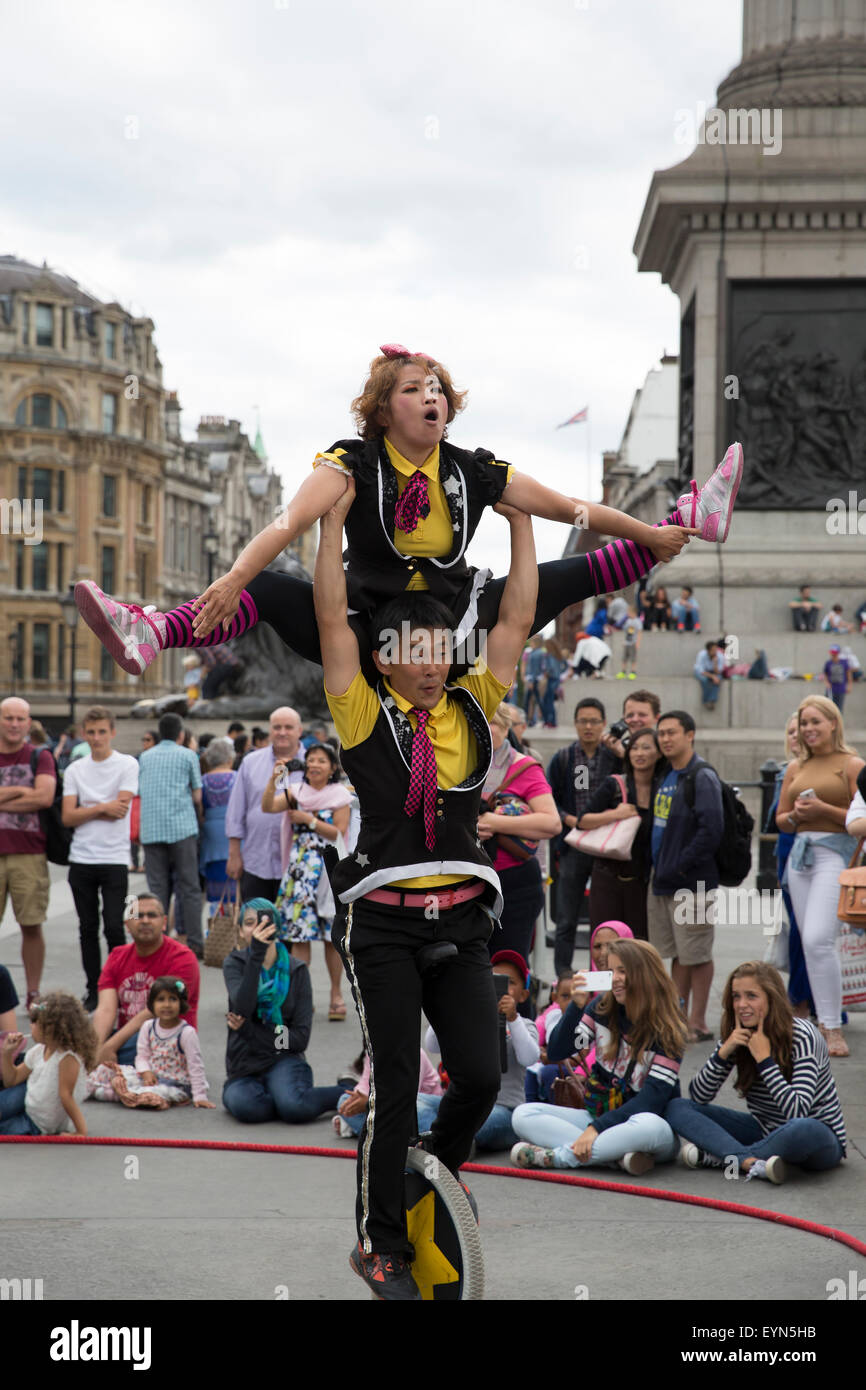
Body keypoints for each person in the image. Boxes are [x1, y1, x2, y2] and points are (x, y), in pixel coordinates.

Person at [74, 347, 743, 683]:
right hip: (369, 630)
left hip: (454, 624)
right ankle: (152, 632)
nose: (431, 398)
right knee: (270, 588)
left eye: (438, 390)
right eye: (413, 389)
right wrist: (232, 578)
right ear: (384, 407)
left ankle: (690, 519)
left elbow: (575, 507)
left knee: (570, 573)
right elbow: (287, 524)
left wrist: (650, 533)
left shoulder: (473, 469)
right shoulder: (353, 462)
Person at [315, 473, 539, 1300]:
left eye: (440, 650)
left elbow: (515, 618)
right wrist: (334, 525)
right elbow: (333, 622)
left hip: (465, 922)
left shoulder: (474, 705)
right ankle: (379, 1246)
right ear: (387, 659)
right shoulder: (362, 714)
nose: (430, 664)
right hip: (384, 926)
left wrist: (518, 522)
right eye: (413, 652)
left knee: (480, 1075)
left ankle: (434, 1177)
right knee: (397, 1089)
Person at [510, 939, 686, 1176]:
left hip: (645, 1126)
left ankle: (560, 1157)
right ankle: (615, 1158)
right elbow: (558, 1052)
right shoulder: (602, 1008)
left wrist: (595, 1129)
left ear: (645, 973)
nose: (615, 978)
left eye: (623, 971)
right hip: (598, 1116)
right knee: (523, 1115)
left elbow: (651, 1100)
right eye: (611, 971)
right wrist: (575, 1006)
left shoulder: (669, 1028)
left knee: (650, 1125)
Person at [667, 962, 846, 1184]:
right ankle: (749, 1161)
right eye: (736, 996)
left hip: (817, 1140)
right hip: (765, 1130)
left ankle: (724, 1158)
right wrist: (723, 1053)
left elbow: (798, 1112)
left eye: (752, 996)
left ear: (772, 999)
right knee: (677, 1107)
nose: (742, 1005)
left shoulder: (804, 1035)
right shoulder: (738, 1033)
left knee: (801, 1128)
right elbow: (699, 1096)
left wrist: (765, 1061)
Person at [774, 697, 863, 1057]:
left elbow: (860, 817)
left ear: (832, 724)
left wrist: (823, 809)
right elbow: (780, 819)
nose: (809, 729)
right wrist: (797, 814)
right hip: (800, 855)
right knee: (806, 939)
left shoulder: (852, 765)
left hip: (835, 853)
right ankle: (816, 1021)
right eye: (803, 723)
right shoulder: (795, 767)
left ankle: (832, 1026)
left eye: (815, 722)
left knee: (817, 939)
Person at [221, 900, 345, 1125]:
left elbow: (299, 1039)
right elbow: (242, 1006)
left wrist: (249, 1030)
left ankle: (345, 1090)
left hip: (283, 1058)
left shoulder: (297, 970)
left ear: (276, 928)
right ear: (240, 931)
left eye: (264, 922)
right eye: (249, 923)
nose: (256, 927)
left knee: (294, 1108)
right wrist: (256, 956)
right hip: (245, 1062)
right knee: (248, 1108)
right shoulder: (234, 963)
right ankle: (280, 1094)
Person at [261, 743, 353, 1021]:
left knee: (330, 937)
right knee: (300, 935)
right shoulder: (295, 792)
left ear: (332, 767)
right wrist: (274, 778)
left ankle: (336, 994)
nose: (314, 765)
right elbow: (267, 806)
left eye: (321, 761)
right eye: (310, 760)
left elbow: (340, 831)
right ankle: (303, 995)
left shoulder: (340, 795)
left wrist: (308, 820)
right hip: (299, 872)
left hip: (328, 870)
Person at [648, 711, 724, 1044]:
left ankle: (698, 1022)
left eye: (672, 733)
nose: (665, 739)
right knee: (679, 952)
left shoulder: (701, 776)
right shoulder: (666, 773)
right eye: (661, 733)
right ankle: (678, 1018)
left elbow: (712, 830)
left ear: (690, 735)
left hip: (691, 881)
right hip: (663, 878)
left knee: (697, 951)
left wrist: (681, 864)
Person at [418, 950, 540, 1153]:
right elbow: (432, 1044)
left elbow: (529, 1057)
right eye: (493, 979)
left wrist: (512, 1018)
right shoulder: (469, 1018)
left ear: (523, 994)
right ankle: (442, 1141)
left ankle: (439, 1141)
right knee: (417, 1102)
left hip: (504, 1110)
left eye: (510, 982)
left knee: (479, 1121)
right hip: (460, 1105)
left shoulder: (524, 1025)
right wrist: (454, 1004)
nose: (500, 987)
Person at [61, 706, 139, 1011]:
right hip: (81, 858)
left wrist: (90, 808)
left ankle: (117, 987)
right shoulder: (75, 769)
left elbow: (122, 807)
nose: (96, 738)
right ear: (83, 734)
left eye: (102, 732)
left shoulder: (127, 764)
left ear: (112, 732)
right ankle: (94, 988)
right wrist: (100, 808)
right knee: (87, 928)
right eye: (91, 732)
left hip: (115, 858)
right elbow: (68, 816)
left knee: (114, 927)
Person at [478, 704, 561, 962]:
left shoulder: (524, 767)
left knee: (507, 966)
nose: (485, 728)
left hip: (513, 883)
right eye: (478, 721)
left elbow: (552, 823)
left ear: (506, 728)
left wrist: (495, 823)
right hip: (466, 879)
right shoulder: (458, 765)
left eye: (492, 722)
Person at [546, 698, 620, 973]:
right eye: (582, 721)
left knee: (604, 917)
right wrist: (568, 819)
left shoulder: (613, 757)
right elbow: (548, 797)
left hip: (607, 846)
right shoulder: (564, 757)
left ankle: (604, 974)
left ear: (603, 724)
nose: (588, 726)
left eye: (594, 721)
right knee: (566, 917)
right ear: (575, 724)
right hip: (573, 845)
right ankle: (563, 977)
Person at [91, 893, 200, 1066]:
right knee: (75, 1039)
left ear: (164, 923)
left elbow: (155, 1011)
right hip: (127, 1037)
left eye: (152, 915)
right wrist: (95, 1051)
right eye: (138, 916)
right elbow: (105, 1009)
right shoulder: (117, 956)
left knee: (123, 1052)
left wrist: (110, 1046)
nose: (145, 920)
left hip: (167, 1041)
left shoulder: (182, 957)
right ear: (127, 924)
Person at [577, 725, 665, 939]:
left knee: (639, 945)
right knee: (605, 941)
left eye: (646, 748)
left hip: (643, 881)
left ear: (659, 753)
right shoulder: (615, 784)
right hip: (607, 877)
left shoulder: (663, 789)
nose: (639, 753)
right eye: (634, 748)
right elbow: (583, 821)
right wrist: (616, 814)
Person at [0, 695, 57, 1006]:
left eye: (20, 719)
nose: (14, 724)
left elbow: (45, 798)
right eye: (8, 718)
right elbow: (34, 795)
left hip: (28, 853)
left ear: (28, 721)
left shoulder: (41, 756)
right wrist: (23, 790)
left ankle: (33, 991)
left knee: (31, 924)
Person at [138, 712, 204, 958]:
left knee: (156, 888)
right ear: (181, 734)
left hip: (152, 829)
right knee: (189, 887)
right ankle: (196, 942)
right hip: (182, 828)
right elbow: (197, 795)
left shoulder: (144, 757)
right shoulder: (188, 755)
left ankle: (157, 940)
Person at [225, 707, 305, 903]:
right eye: (277, 727)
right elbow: (236, 811)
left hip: (300, 865)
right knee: (256, 927)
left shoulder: (315, 763)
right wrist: (234, 854)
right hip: (256, 861)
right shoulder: (251, 762)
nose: (282, 732)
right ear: (270, 730)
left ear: (299, 730)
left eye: (288, 727)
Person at [767, 714, 814, 1017]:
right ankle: (807, 996)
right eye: (791, 731)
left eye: (802, 730)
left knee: (806, 931)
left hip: (810, 854)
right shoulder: (786, 772)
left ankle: (800, 997)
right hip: (787, 853)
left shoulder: (824, 771)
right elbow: (777, 818)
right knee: (798, 927)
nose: (796, 736)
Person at [108, 976, 213, 1109]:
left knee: (151, 1094)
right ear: (152, 1004)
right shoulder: (148, 1026)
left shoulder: (186, 1033)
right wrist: (145, 1072)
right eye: (161, 999)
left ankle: (141, 1096)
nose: (167, 1005)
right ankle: (132, 1093)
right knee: (116, 1076)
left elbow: (196, 1066)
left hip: (177, 1083)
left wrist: (200, 1096)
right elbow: (142, 1056)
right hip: (153, 1077)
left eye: (173, 999)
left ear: (181, 1003)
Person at [0, 992, 96, 1136]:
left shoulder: (67, 1058)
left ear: (51, 1028)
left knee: (5, 1130)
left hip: (37, 1123)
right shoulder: (38, 1051)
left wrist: (80, 1131)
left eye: (34, 1023)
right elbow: (12, 1080)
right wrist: (6, 1054)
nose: (30, 1026)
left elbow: (66, 1096)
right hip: (28, 1106)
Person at [198, 737, 238, 928]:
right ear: (230, 758)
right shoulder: (238, 778)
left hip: (210, 837)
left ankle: (215, 930)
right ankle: (237, 933)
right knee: (237, 890)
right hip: (235, 835)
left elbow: (199, 809)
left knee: (215, 891)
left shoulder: (202, 781)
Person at [600, 689, 661, 761]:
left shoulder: (663, 749)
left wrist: (625, 756)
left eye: (642, 715)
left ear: (656, 718)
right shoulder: (615, 748)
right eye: (630, 715)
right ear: (623, 718)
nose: (635, 719)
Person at [693, 640, 725, 710]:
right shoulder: (701, 655)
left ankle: (712, 700)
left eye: (715, 650)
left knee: (718, 679)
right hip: (702, 672)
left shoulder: (720, 656)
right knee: (705, 680)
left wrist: (715, 663)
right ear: (708, 650)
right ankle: (705, 700)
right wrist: (712, 676)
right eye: (713, 650)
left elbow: (719, 671)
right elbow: (700, 670)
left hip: (713, 671)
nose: (715, 652)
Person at [823, 644, 853, 711]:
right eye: (832, 653)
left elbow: (849, 674)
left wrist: (849, 685)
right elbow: (825, 675)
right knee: (828, 709)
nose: (833, 655)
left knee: (839, 709)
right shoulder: (828, 663)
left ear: (838, 653)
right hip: (830, 689)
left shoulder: (844, 662)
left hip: (841, 689)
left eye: (835, 653)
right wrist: (827, 683)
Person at [615, 606, 642, 679]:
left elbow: (639, 633)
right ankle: (623, 672)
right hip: (627, 642)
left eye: (629, 612)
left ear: (633, 613)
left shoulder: (637, 621)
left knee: (633, 658)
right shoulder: (628, 621)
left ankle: (633, 672)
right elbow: (625, 631)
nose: (628, 614)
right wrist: (624, 641)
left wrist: (638, 643)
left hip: (633, 643)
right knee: (624, 658)